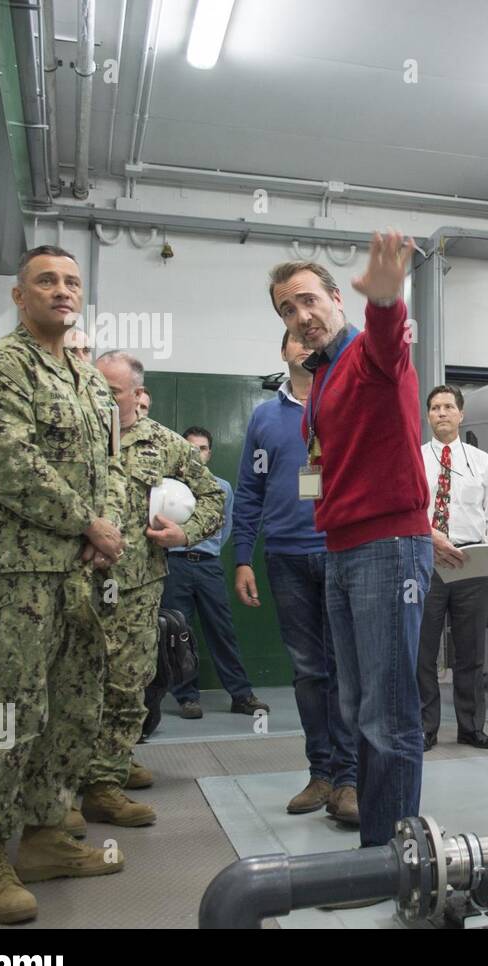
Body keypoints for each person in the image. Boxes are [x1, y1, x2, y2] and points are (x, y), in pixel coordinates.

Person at [0, 245, 127, 924]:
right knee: (12, 717)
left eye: (72, 282)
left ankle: (45, 836)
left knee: (72, 710)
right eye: (47, 280)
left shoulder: (89, 381)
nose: (62, 290)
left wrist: (105, 524)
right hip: (15, 579)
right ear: (20, 296)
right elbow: (8, 463)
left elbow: (113, 467)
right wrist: (88, 521)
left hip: (77, 576)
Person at [268, 231, 432, 848]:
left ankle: (394, 854)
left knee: (387, 714)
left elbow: (388, 343)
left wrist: (386, 300)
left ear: (337, 299)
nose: (301, 316)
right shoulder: (324, 376)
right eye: (287, 309)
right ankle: (378, 840)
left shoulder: (367, 352)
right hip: (341, 548)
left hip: (384, 549)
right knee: (358, 706)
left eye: (309, 300)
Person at [73, 352, 225, 831]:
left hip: (137, 589)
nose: (101, 401)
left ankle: (105, 783)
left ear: (138, 394)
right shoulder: (75, 435)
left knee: (128, 685)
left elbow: (214, 497)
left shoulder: (164, 444)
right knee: (73, 686)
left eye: (113, 393)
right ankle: (66, 786)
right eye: (95, 390)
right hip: (75, 586)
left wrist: (185, 534)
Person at [232, 329, 359, 822]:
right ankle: (320, 773)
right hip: (285, 556)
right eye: (294, 339)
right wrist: (243, 557)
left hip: (342, 551)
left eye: (312, 337)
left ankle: (349, 779)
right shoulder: (264, 417)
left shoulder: (344, 404)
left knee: (345, 669)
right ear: (283, 351)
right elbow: (249, 490)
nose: (305, 345)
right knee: (308, 671)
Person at [417, 384, 488, 751]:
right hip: (427, 561)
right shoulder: (414, 458)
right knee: (422, 652)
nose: (441, 413)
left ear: (461, 414)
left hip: (472, 563)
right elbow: (407, 508)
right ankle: (425, 727)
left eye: (448, 407)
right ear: (428, 416)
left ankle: (471, 727)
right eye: (435, 407)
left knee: (470, 652)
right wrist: (426, 542)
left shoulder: (481, 461)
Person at [165, 427, 269, 718]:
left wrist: (206, 549)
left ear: (209, 454)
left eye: (202, 448)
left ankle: (241, 695)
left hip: (209, 566)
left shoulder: (222, 488)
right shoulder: (168, 488)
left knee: (222, 631)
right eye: (191, 448)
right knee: (179, 633)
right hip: (175, 564)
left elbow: (226, 529)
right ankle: (187, 698)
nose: (196, 453)